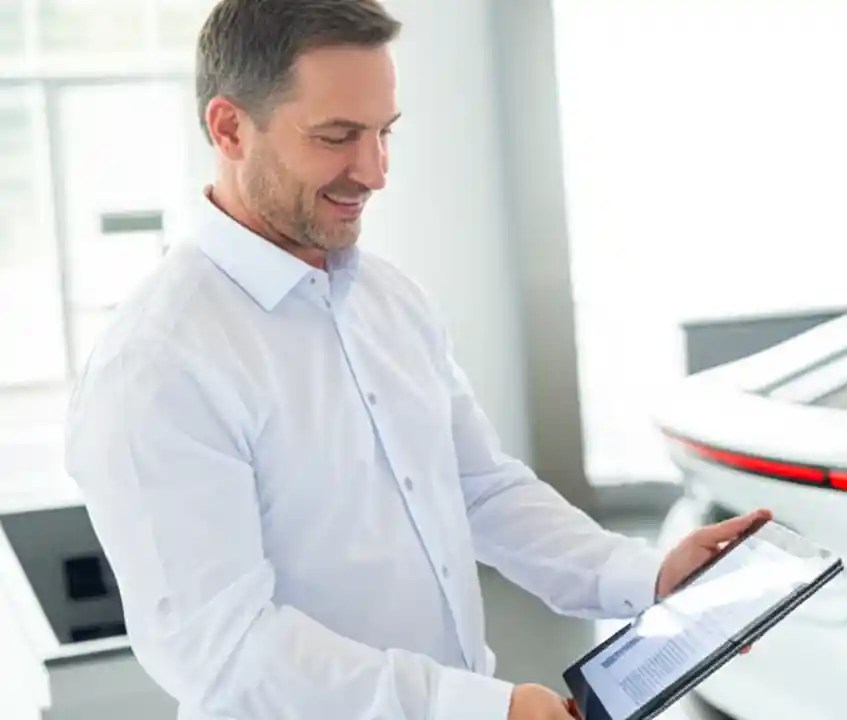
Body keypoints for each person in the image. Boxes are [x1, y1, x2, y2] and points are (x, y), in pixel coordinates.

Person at [63, 1, 768, 718]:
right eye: (336, 136)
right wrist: (481, 709)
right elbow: (227, 654)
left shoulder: (387, 299)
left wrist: (647, 576)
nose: (373, 172)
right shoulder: (157, 364)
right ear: (228, 128)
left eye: (383, 133)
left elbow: (479, 490)